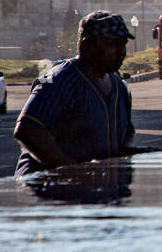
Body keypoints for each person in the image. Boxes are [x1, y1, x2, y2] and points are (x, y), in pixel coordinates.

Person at [13, 10, 146, 176]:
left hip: (96, 194)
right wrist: (72, 171)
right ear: (86, 45)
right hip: (49, 193)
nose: (121, 52)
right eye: (112, 44)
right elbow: (28, 131)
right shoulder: (58, 80)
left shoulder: (120, 87)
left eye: (123, 44)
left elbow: (122, 143)